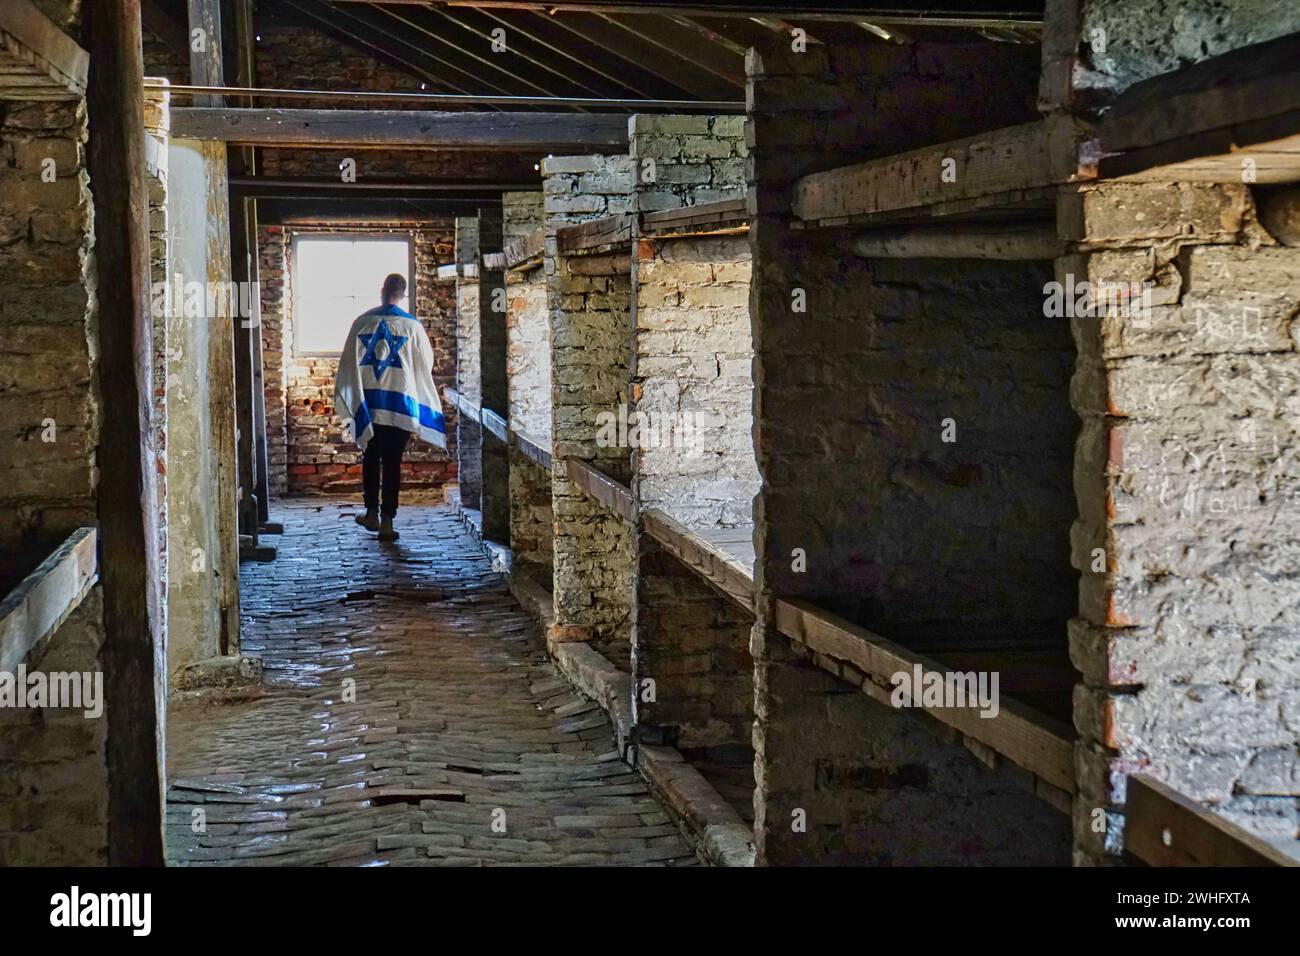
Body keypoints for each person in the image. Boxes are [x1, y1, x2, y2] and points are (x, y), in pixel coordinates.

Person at [333, 273, 445, 541]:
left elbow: (349, 363)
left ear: (382, 290)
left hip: (369, 402)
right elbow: (425, 364)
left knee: (371, 456)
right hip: (400, 402)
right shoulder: (412, 327)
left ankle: (371, 512)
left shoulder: (362, 322)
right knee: (393, 461)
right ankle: (387, 522)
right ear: (403, 294)